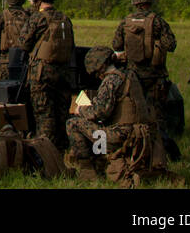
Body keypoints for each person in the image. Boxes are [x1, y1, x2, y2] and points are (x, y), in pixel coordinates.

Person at [65, 47, 158, 181]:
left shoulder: (111, 81)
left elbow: (99, 113)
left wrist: (81, 110)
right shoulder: (129, 75)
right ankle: (101, 163)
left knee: (73, 123)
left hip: (121, 137)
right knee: (97, 127)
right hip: (139, 134)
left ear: (100, 67)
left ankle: (89, 172)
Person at [110, 0, 176, 131]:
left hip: (133, 75)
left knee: (135, 111)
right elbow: (171, 45)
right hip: (155, 75)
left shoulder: (126, 22)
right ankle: (160, 144)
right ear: (150, 0)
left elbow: (116, 45)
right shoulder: (158, 21)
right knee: (157, 114)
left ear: (134, 1)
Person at [17, 0, 74, 150]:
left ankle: (46, 157)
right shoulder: (65, 18)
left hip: (42, 76)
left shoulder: (37, 18)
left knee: (44, 117)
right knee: (62, 116)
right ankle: (64, 154)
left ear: (38, 0)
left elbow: (23, 44)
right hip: (64, 74)